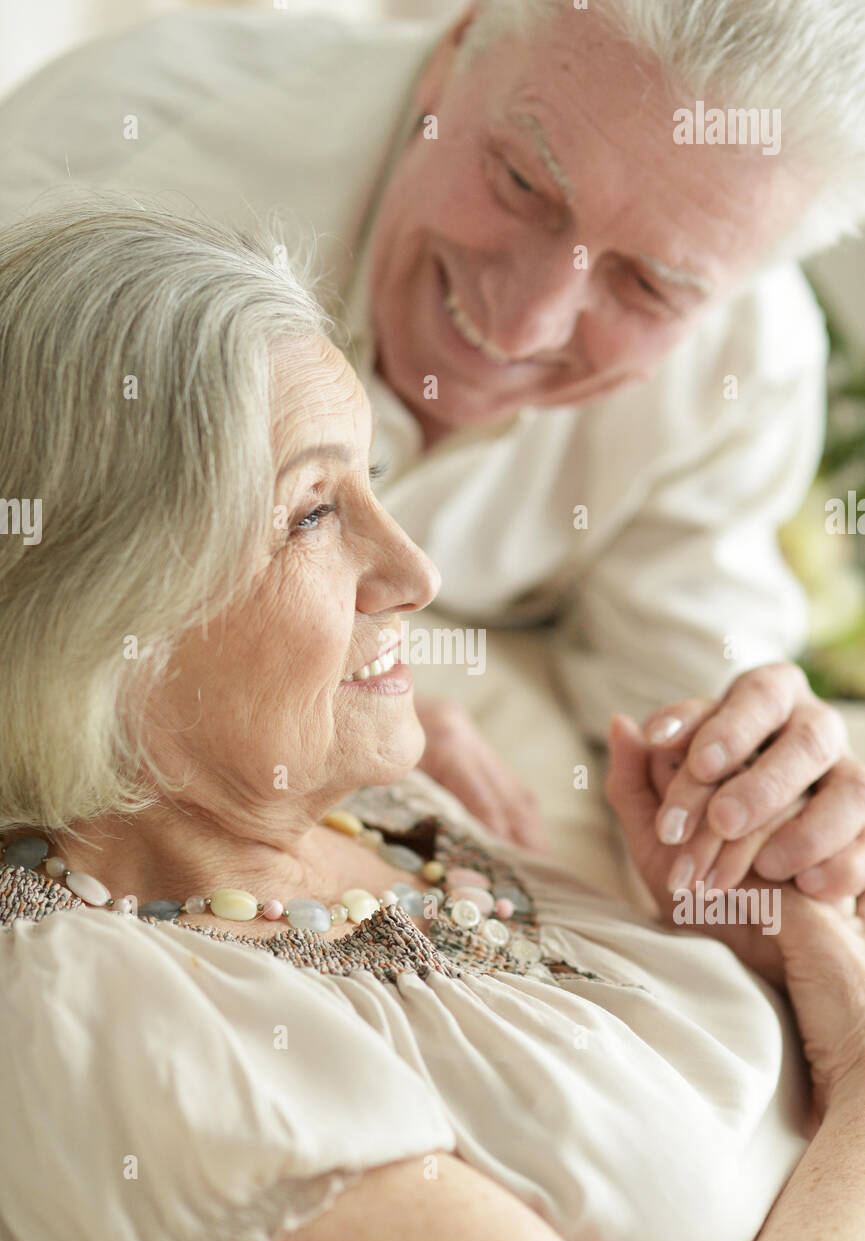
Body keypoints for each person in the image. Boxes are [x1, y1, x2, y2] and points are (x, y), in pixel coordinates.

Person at [1, 196, 864, 1241]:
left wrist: (733, 917)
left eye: (376, 488)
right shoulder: (106, 1020)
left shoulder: (373, 807)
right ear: (106, 613)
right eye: (313, 513)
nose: (413, 570)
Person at [2, 1, 865, 895]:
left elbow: (684, 706)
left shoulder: (746, 363)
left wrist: (751, 782)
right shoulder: (105, 170)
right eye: (522, 183)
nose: (521, 321)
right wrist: (306, 699)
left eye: (646, 286)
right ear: (450, 57)